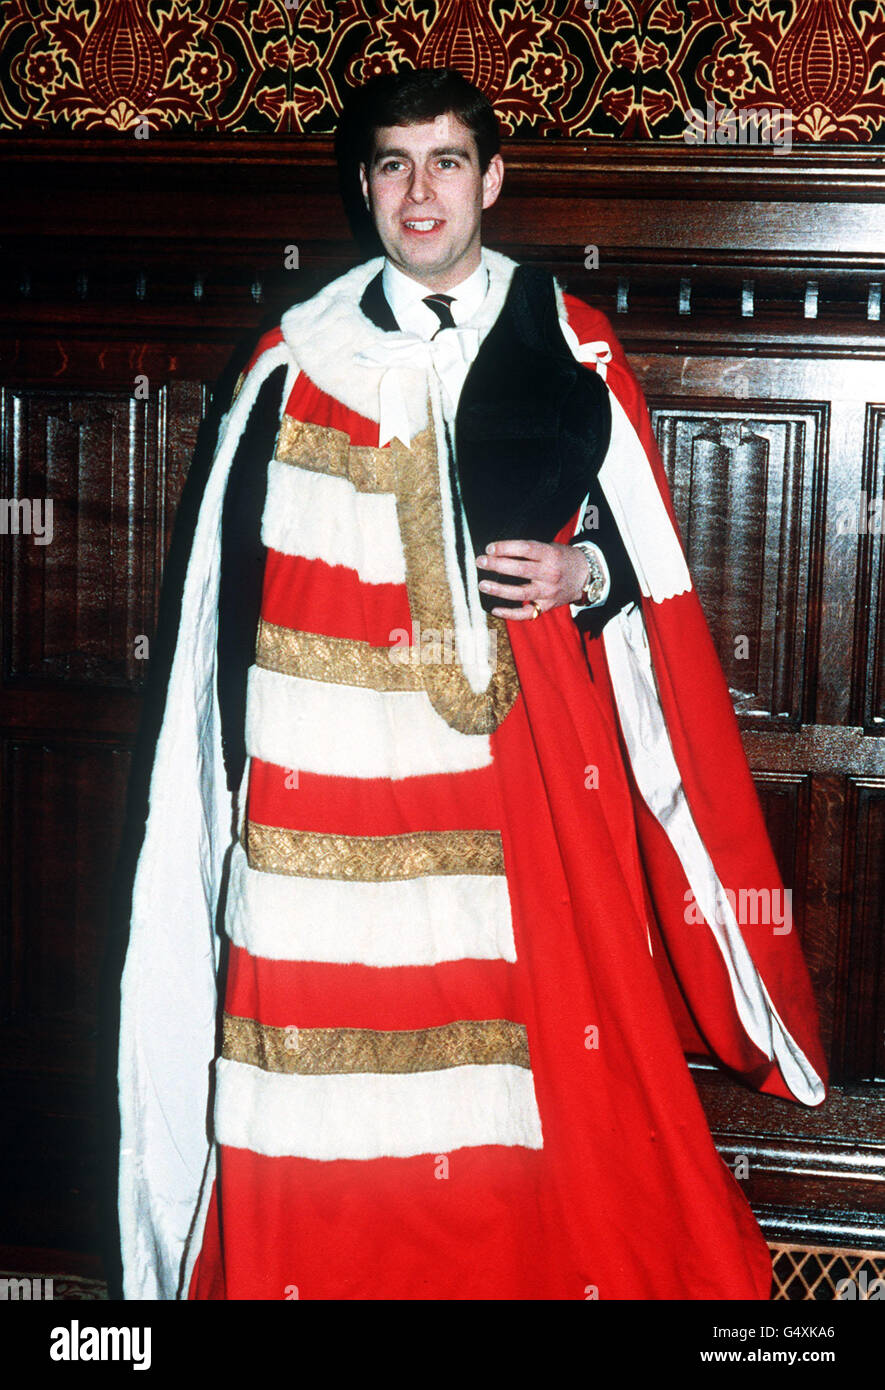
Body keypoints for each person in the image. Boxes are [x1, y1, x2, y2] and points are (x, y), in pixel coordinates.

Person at [118, 67, 827, 1301]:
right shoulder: (292, 360)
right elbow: (219, 623)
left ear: (490, 179)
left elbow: (648, 572)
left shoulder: (566, 340)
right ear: (366, 188)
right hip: (329, 815)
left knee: (555, 1074)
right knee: (329, 1090)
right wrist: (237, 807)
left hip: (521, 784)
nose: (421, 192)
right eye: (395, 165)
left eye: (446, 162)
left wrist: (579, 568)